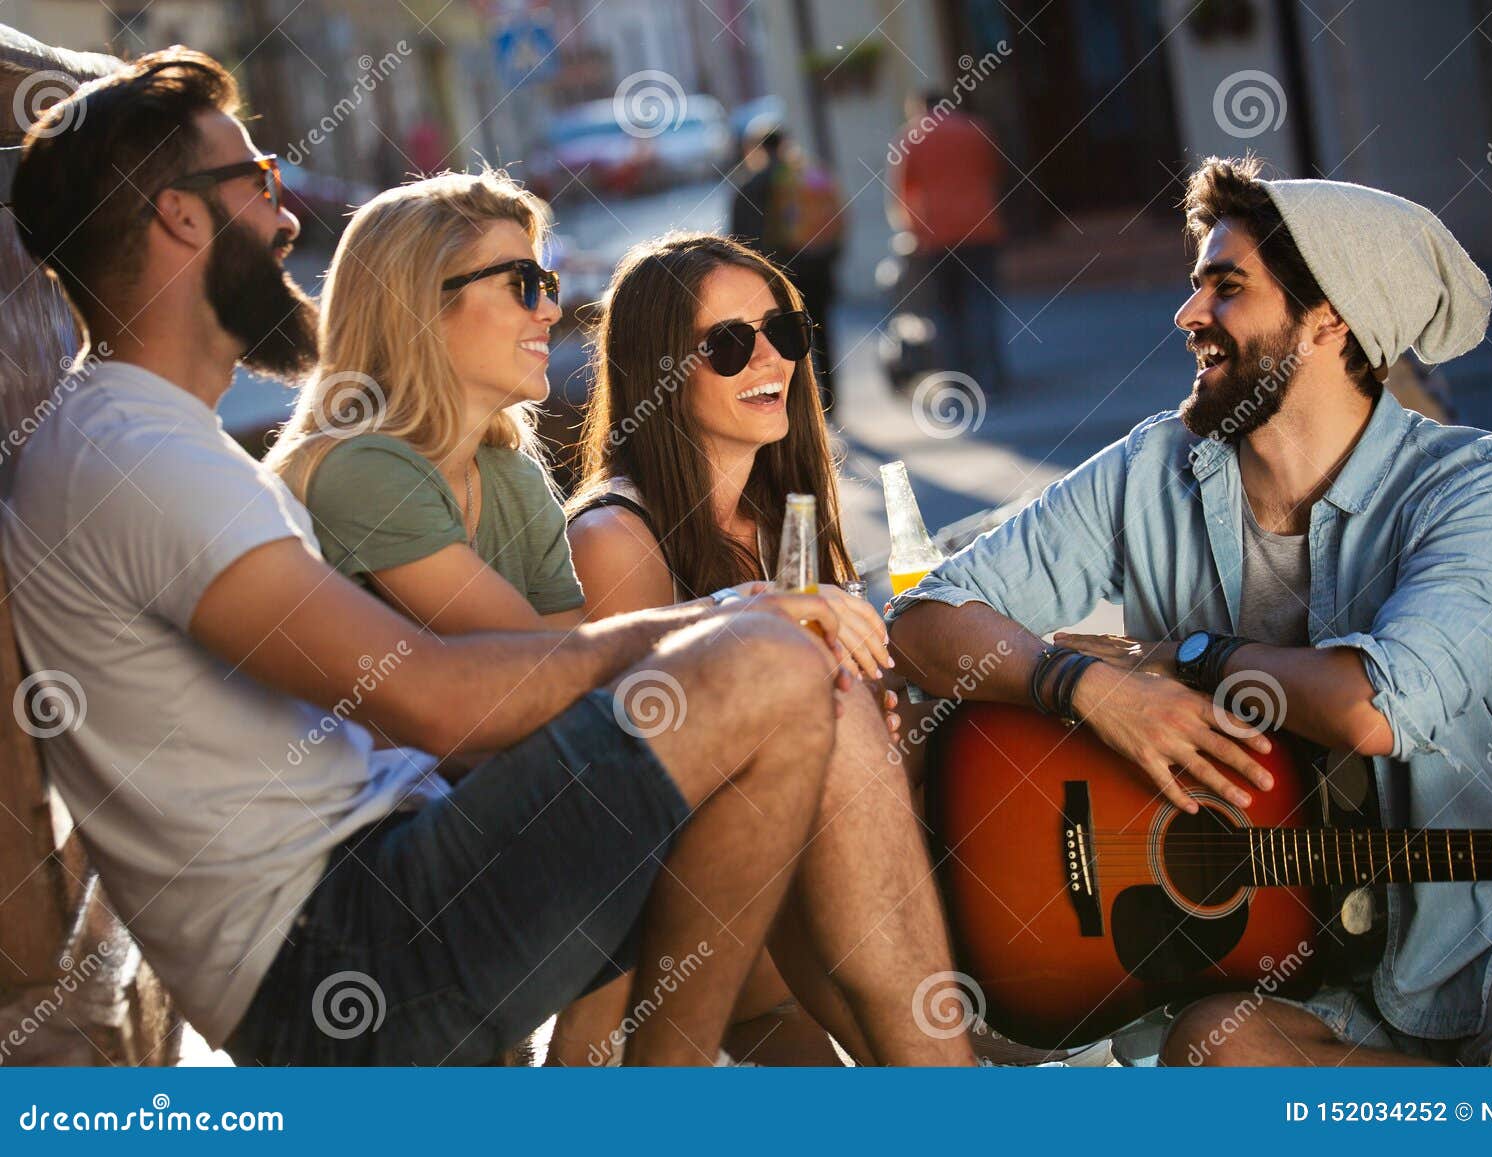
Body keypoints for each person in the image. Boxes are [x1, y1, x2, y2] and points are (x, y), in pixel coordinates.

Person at [2, 46, 977, 1068]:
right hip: (339, 948)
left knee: (797, 677)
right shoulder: (132, 455)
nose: (287, 218)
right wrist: (719, 623)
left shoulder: (152, 440)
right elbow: (433, 696)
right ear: (179, 215)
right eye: (258, 179)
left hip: (393, 877)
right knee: (773, 662)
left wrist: (733, 634)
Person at [887, 155, 1492, 1066]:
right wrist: (1092, 689)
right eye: (1198, 285)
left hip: (1486, 936)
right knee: (1214, 1047)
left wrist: (1181, 658)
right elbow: (925, 619)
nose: (1187, 314)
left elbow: (1375, 707)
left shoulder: (1473, 484)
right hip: (1286, 983)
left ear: (1331, 316)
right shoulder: (1149, 471)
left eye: (1227, 287)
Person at [557, 231, 906, 1064]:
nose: (769, 359)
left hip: (784, 947)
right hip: (673, 968)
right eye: (727, 344)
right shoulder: (614, 535)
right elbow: (630, 803)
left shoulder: (780, 519)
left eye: (782, 331)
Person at [263, 170, 584, 635]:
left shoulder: (514, 478)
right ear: (420, 305)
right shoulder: (360, 468)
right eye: (523, 283)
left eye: (547, 284)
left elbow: (575, 660)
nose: (551, 310)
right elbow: (533, 658)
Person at [886, 91, 1008, 393]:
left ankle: (959, 377)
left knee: (945, 310)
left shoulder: (912, 135)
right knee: (981, 302)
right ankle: (991, 374)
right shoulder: (975, 129)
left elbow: (903, 193)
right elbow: (993, 172)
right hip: (981, 227)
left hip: (936, 237)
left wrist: (910, 230)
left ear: (919, 108)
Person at [728, 122, 842, 410]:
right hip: (816, 272)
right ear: (784, 146)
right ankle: (831, 401)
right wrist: (828, 259)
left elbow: (737, 245)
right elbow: (834, 222)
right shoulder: (808, 179)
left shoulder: (749, 187)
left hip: (776, 281)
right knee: (822, 336)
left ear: (756, 150)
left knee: (785, 346)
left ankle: (799, 406)